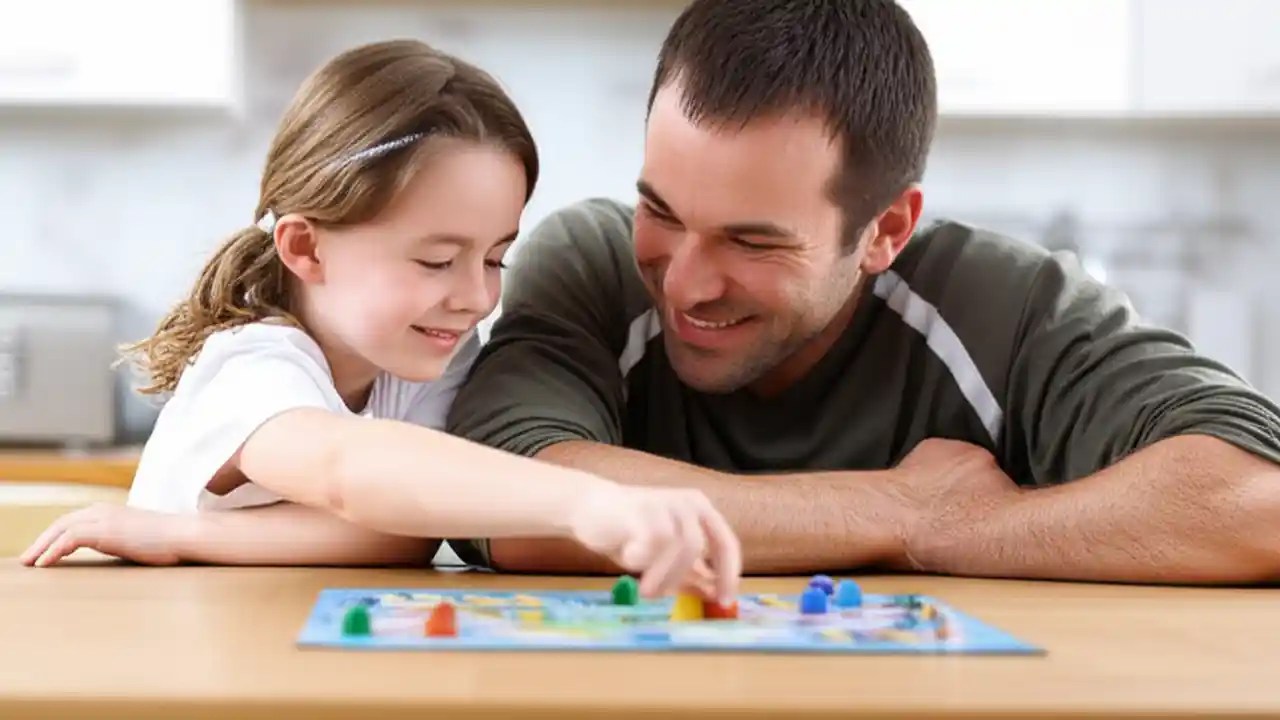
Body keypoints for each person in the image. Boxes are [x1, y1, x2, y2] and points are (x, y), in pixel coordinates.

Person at [445, 0, 1280, 584]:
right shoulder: (591, 265)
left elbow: (1255, 500)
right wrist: (899, 513)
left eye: (752, 239)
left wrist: (969, 529)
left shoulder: (1003, 306)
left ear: (884, 231)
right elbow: (500, 494)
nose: (688, 281)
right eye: (661, 211)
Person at [19, 39, 741, 604]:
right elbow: (348, 472)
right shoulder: (251, 364)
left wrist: (184, 533)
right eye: (435, 261)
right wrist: (590, 504)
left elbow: (401, 530)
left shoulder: (429, 355)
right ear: (306, 247)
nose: (475, 298)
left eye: (495, 259)